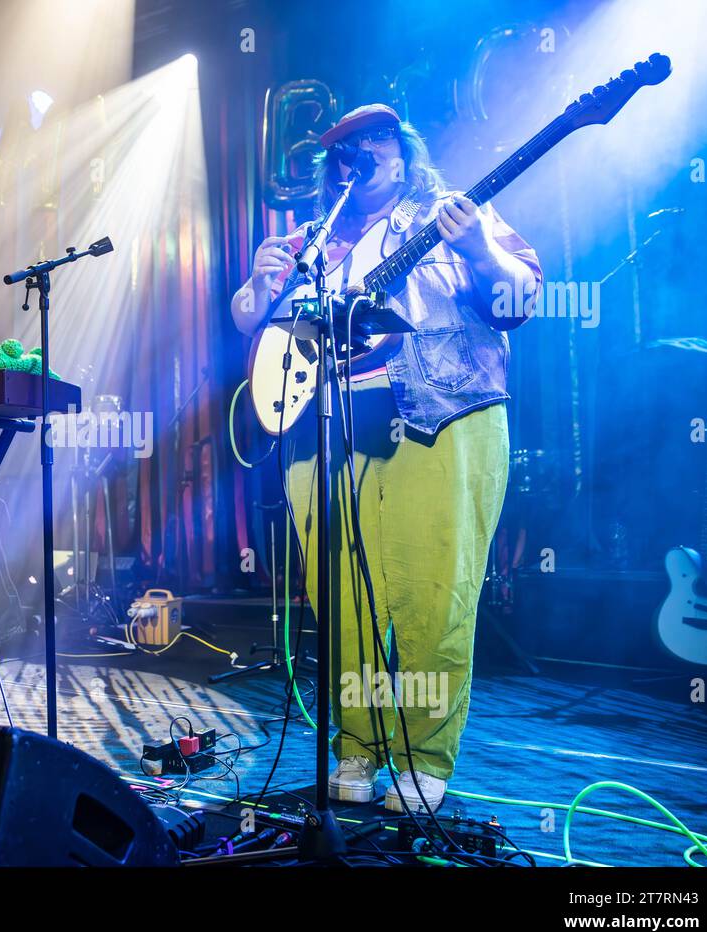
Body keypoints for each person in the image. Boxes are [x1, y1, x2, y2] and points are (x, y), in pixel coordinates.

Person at [231, 104, 542, 812]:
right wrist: (258, 284)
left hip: (439, 415)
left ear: (403, 152)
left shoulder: (450, 212)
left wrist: (478, 252)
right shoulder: (309, 241)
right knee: (343, 603)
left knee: (434, 595)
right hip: (327, 430)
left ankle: (422, 756)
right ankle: (356, 747)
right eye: (348, 146)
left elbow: (519, 297)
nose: (363, 152)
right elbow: (252, 321)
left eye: (378, 140)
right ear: (333, 166)